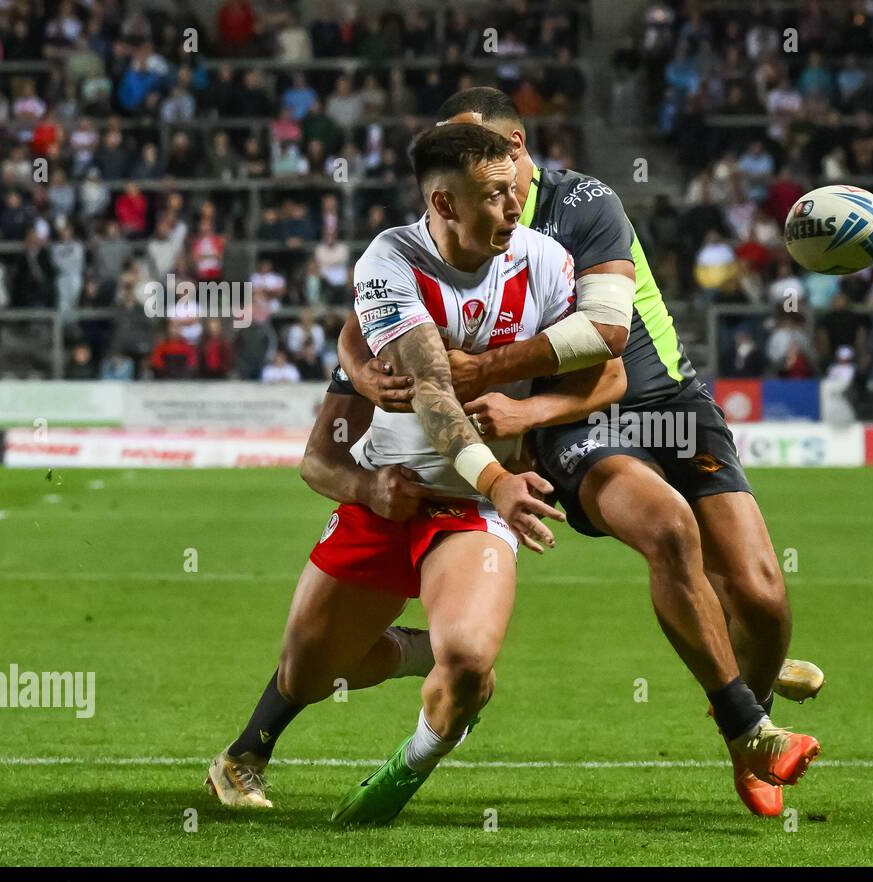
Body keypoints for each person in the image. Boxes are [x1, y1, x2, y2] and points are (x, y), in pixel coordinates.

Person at [336, 88, 822, 817]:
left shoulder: (583, 204)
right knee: (668, 530)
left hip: (664, 403)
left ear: (517, 146)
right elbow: (372, 304)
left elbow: (608, 336)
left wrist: (496, 381)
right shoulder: (449, 218)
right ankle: (749, 732)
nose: (479, 173)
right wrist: (361, 362)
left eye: (489, 156)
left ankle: (744, 699)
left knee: (761, 595)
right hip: (573, 422)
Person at [206, 125, 603, 823]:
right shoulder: (389, 262)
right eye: (493, 195)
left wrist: (527, 412)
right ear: (445, 203)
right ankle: (257, 745)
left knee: (474, 663)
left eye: (516, 190)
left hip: (470, 512)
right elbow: (430, 391)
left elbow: (612, 371)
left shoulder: (547, 263)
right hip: (388, 502)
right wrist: (369, 487)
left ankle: (403, 769)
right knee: (309, 673)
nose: (514, 207)